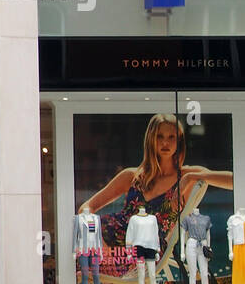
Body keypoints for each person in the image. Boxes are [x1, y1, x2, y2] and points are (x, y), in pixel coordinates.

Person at [81, 112, 233, 269]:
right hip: (106, 241)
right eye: (159, 136)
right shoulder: (131, 176)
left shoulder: (188, 175)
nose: (165, 142)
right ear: (151, 140)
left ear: (179, 140)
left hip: (145, 252)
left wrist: (190, 177)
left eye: (171, 137)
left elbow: (235, 181)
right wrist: (100, 245)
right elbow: (85, 209)